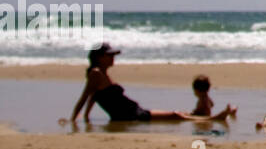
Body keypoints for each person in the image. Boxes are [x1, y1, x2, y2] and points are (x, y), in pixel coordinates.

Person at [64, 44, 236, 124]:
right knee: (176, 116)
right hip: (130, 115)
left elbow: (94, 96)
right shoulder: (95, 74)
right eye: (110, 55)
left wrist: (86, 117)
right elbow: (86, 96)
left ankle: (208, 117)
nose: (113, 58)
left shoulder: (100, 74)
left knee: (179, 114)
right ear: (99, 57)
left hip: (132, 111)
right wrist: (74, 119)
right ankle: (214, 119)